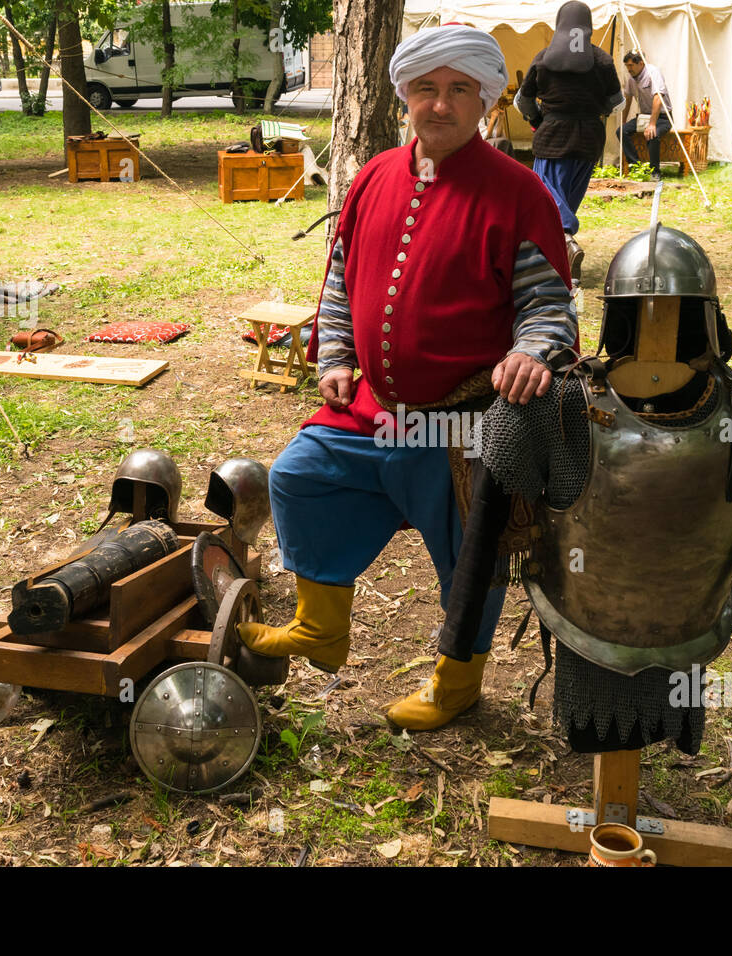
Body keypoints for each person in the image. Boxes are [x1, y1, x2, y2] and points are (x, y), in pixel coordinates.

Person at [238, 24, 577, 732]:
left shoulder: (520, 194)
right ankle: (321, 627)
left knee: (469, 554)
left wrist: (530, 352)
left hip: (466, 419)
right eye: (427, 89)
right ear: (406, 97)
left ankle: (457, 682)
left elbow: (548, 310)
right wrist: (334, 356)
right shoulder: (371, 177)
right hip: (373, 408)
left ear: (485, 98)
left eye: (459, 90)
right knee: (299, 477)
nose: (441, 105)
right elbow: (337, 283)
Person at [515, 1, 622, 278]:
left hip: (552, 139)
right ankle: (560, 259)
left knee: (547, 200)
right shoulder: (603, 61)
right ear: (588, 25)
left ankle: (565, 241)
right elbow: (617, 103)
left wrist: (538, 120)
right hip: (589, 142)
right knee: (565, 201)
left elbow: (522, 101)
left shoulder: (543, 58)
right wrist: (597, 111)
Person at [616, 51, 672, 181]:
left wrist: (652, 124)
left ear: (641, 63)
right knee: (621, 131)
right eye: (627, 66)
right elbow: (628, 99)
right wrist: (623, 121)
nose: (628, 69)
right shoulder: (631, 79)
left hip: (662, 117)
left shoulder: (653, 73)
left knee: (653, 134)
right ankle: (636, 167)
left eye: (631, 65)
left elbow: (658, 97)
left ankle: (655, 172)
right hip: (643, 117)